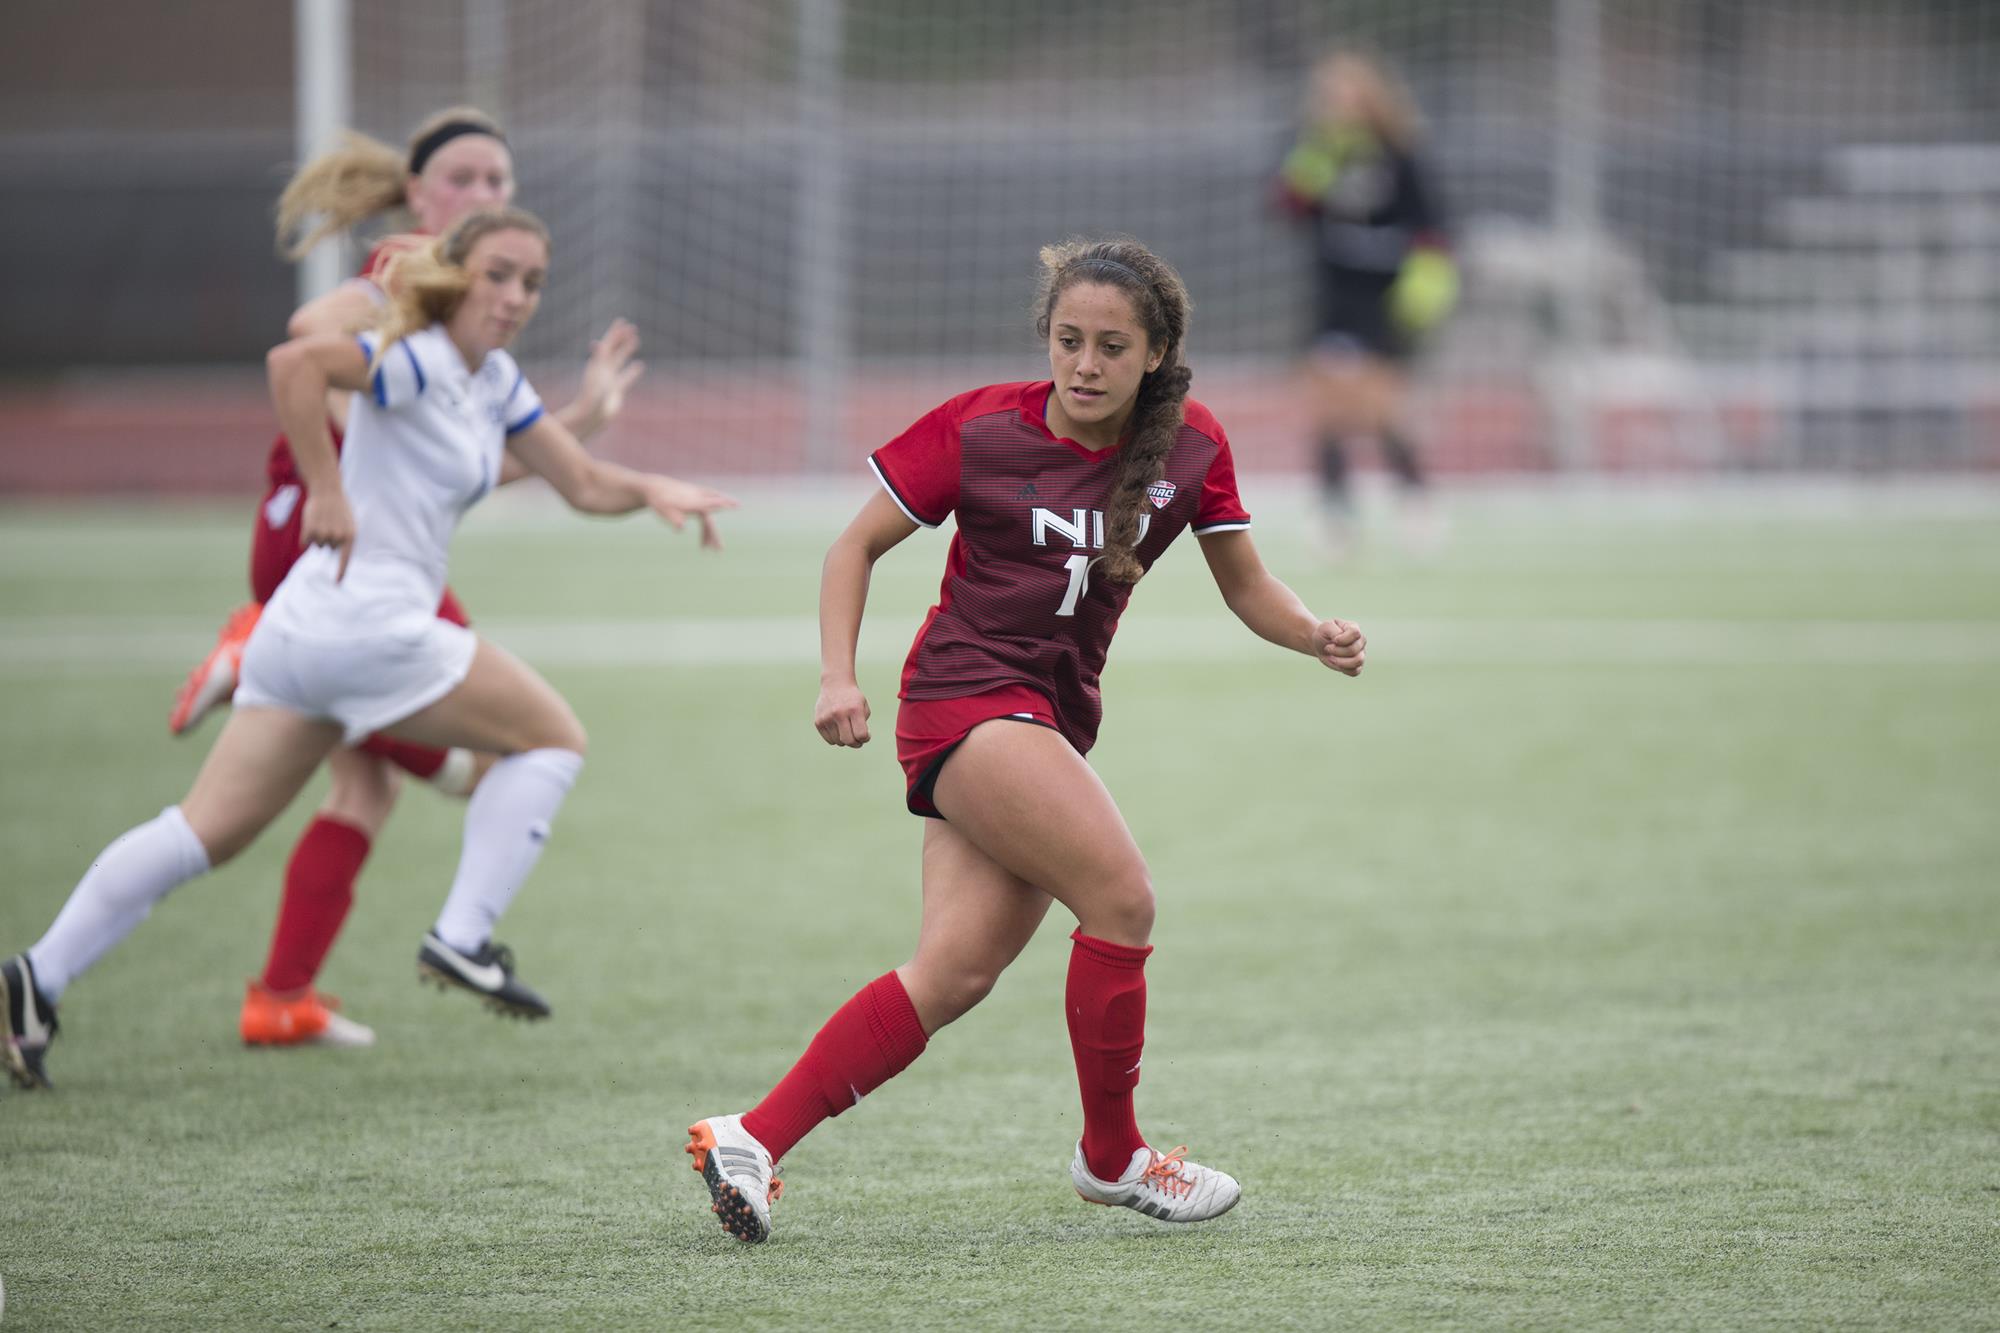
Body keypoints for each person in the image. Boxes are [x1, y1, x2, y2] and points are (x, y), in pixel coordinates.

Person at [682, 237, 1366, 1243]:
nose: (1083, 364)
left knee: (952, 973)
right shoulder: (979, 428)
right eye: (1067, 340)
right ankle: (1112, 1157)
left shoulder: (1191, 446)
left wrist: (1309, 631)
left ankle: (750, 1135)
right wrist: (837, 676)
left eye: (1109, 346)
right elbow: (853, 546)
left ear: (1154, 353)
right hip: (964, 703)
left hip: (1046, 720)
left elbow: (1248, 586)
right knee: (1123, 897)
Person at [0, 207, 736, 1092]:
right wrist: (324, 487)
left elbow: (576, 480)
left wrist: (654, 486)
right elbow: (294, 364)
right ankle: (462, 938)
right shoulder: (419, 355)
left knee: (204, 834)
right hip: (370, 627)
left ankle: (34, 978)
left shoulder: (492, 380)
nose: (514, 296)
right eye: (498, 274)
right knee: (553, 738)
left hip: (307, 631)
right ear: (457, 273)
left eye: (532, 282)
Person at [169, 107, 647, 1049]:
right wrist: (341, 440)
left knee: (368, 790)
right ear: (419, 193)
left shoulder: (464, 309)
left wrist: (582, 419)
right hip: (326, 544)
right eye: (462, 180)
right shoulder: (404, 275)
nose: (482, 197)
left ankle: (279, 997)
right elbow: (309, 336)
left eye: (498, 183)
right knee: (503, 757)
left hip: (359, 558)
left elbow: (484, 460)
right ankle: (250, 638)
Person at [1273, 51, 1459, 556]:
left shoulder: (1399, 156)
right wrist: (1311, 167)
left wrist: (1429, 282)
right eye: (1332, 97)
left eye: (1351, 96)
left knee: (1381, 407)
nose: (1341, 106)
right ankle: (1335, 511)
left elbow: (1433, 228)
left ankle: (1416, 501)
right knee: (1328, 403)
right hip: (1336, 295)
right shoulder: (1318, 151)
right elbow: (1287, 208)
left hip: (1388, 297)